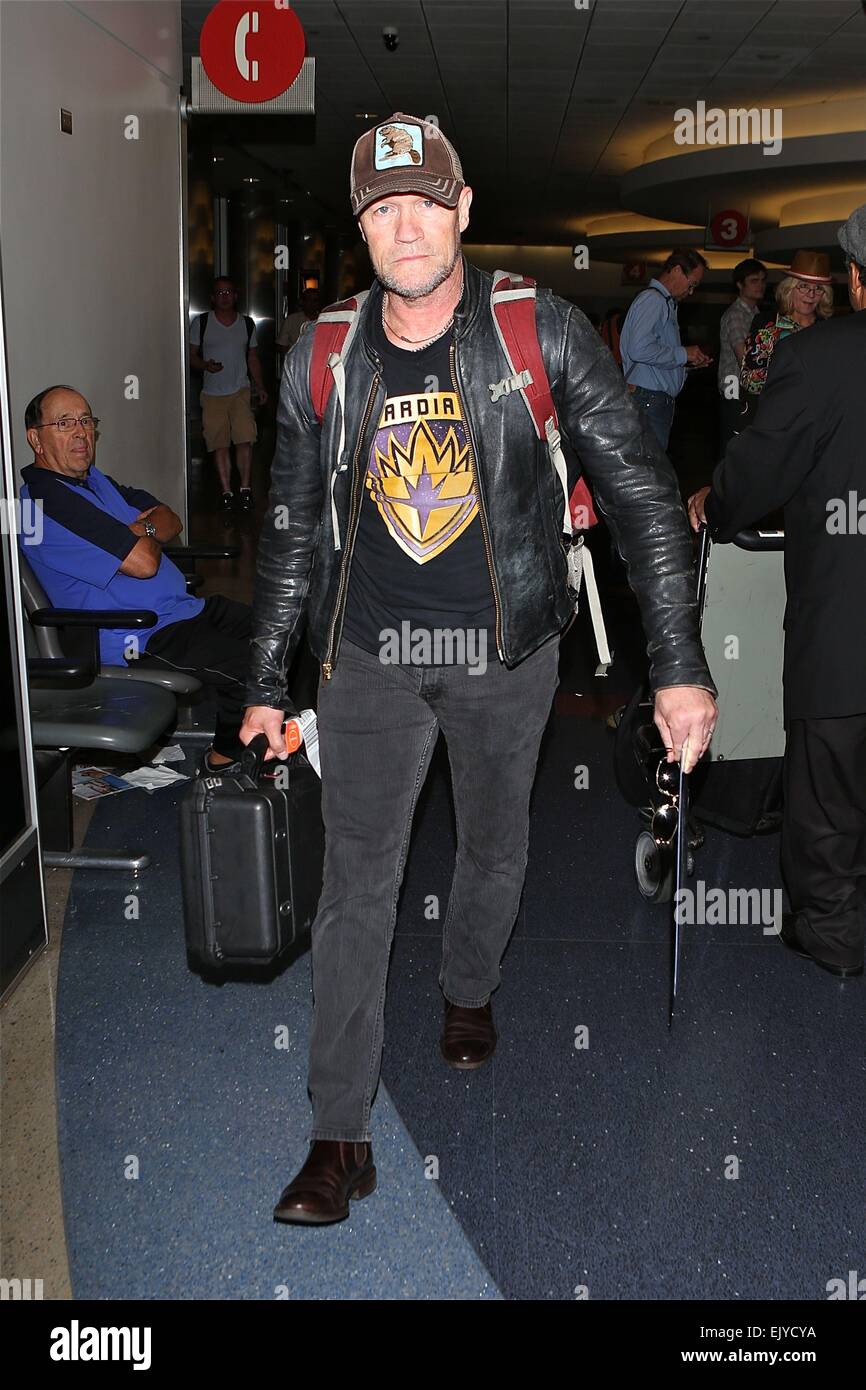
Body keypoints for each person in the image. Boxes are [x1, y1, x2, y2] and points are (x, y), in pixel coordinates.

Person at [241, 112, 718, 1225]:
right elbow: (290, 529)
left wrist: (678, 666)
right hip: (366, 656)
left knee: (494, 842)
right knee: (355, 883)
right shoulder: (322, 352)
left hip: (506, 651)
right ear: (360, 227)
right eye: (378, 206)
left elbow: (644, 497)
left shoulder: (536, 333)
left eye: (423, 201)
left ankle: (468, 988)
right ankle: (337, 1133)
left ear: (461, 209)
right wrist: (268, 680)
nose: (404, 224)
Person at [687, 205, 866, 981]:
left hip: (844, 625)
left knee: (828, 784)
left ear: (855, 280)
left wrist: (715, 502)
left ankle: (833, 936)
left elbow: (762, 469)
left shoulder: (822, 358)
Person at [20, 384, 254, 773]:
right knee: (250, 666)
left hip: (184, 611)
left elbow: (170, 517)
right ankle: (223, 760)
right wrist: (145, 533)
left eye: (86, 421)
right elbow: (145, 562)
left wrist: (139, 531)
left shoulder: (96, 481)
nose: (80, 432)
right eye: (63, 423)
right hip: (138, 634)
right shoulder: (44, 504)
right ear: (36, 439)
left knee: (284, 631)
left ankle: (285, 733)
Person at [618, 248, 713, 450]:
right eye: (692, 284)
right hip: (649, 398)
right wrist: (683, 353)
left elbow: (653, 355)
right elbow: (639, 349)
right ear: (677, 270)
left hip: (651, 398)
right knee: (650, 470)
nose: (691, 291)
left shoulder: (664, 303)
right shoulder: (654, 300)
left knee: (649, 468)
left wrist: (685, 365)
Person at [189, 276, 268, 515]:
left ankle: (244, 489)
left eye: (228, 292)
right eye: (219, 293)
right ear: (213, 298)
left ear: (235, 296)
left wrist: (260, 386)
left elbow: (252, 357)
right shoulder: (202, 323)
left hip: (240, 391)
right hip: (212, 394)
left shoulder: (246, 324)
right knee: (219, 444)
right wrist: (204, 365)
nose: (224, 296)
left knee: (245, 439)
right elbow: (191, 356)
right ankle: (226, 492)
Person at [737, 251, 833, 429]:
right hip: (774, 422)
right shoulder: (766, 325)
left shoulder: (829, 330)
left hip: (817, 424)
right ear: (789, 288)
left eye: (818, 288)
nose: (811, 294)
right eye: (804, 286)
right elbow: (750, 380)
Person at [717, 258, 766, 449]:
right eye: (754, 281)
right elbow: (745, 358)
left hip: (743, 389)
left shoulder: (754, 313)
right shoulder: (737, 314)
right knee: (734, 446)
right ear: (740, 284)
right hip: (735, 388)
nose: (760, 285)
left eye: (762, 280)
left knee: (743, 446)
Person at [276, 287, 321, 355]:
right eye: (309, 300)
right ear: (302, 302)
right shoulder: (291, 320)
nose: (312, 303)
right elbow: (282, 345)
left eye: (315, 300)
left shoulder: (324, 321)